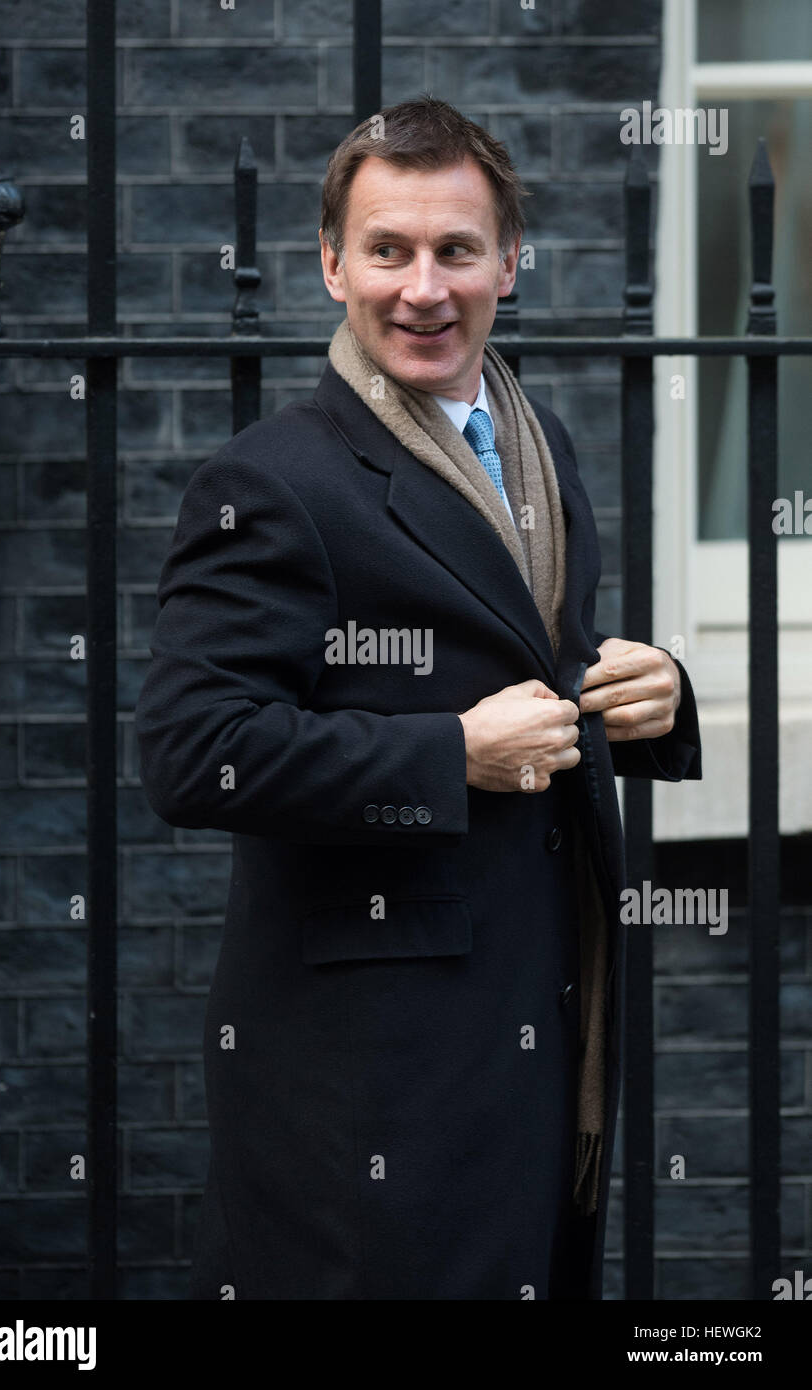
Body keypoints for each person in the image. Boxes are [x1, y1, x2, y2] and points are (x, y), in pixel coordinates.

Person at [134, 96, 702, 1300]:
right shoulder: (270, 480)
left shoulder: (534, 439)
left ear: (510, 261)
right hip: (371, 1073)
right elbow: (195, 753)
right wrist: (448, 754)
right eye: (388, 249)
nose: (423, 287)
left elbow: (533, 667)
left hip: (536, 1029)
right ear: (333, 263)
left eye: (456, 249)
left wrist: (650, 695)